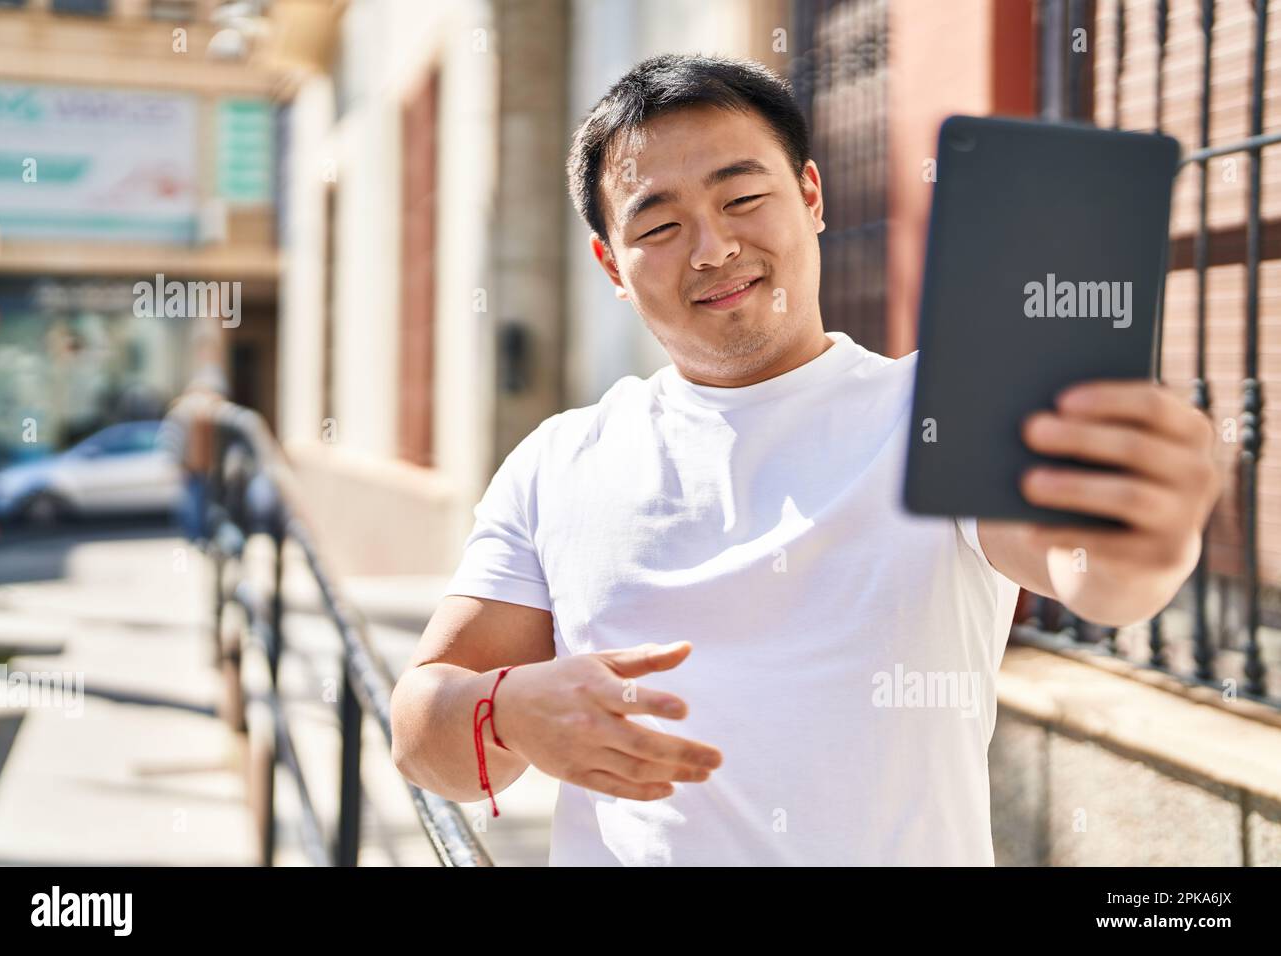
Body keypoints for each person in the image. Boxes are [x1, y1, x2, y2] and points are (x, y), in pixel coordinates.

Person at [389, 55, 1222, 866]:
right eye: (660, 226)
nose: (713, 250)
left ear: (812, 196)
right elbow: (424, 733)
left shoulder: (941, 408)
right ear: (612, 262)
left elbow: (1096, 572)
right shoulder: (559, 459)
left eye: (743, 197)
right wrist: (503, 714)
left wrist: (1153, 534)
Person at [159, 363, 228, 546]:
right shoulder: (185, 410)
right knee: (192, 504)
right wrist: (176, 463)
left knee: (198, 504)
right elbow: (170, 439)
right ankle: (196, 537)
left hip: (200, 467)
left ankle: (199, 536)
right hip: (191, 467)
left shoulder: (200, 408)